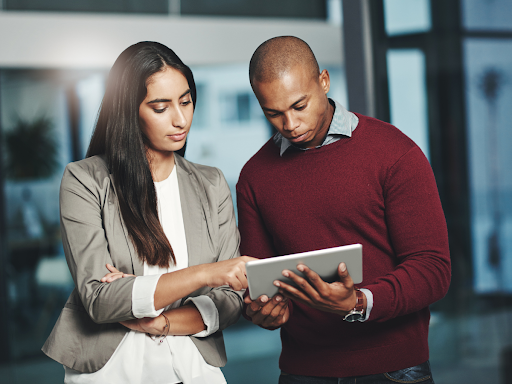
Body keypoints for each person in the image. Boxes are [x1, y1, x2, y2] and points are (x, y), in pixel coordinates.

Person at [237, 36, 451, 383]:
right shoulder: (254, 176)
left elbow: (433, 270)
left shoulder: (395, 153)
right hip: (302, 371)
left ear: (323, 81)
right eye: (273, 113)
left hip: (393, 370)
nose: (289, 124)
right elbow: (259, 279)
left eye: (299, 105)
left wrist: (359, 302)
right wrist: (263, 312)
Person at [42, 41, 254, 384]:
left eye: (186, 101)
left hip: (194, 370)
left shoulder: (211, 183)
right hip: (113, 371)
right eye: (160, 107)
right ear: (129, 110)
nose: (180, 118)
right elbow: (99, 300)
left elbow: (230, 300)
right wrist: (206, 274)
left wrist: (160, 319)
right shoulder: (85, 180)